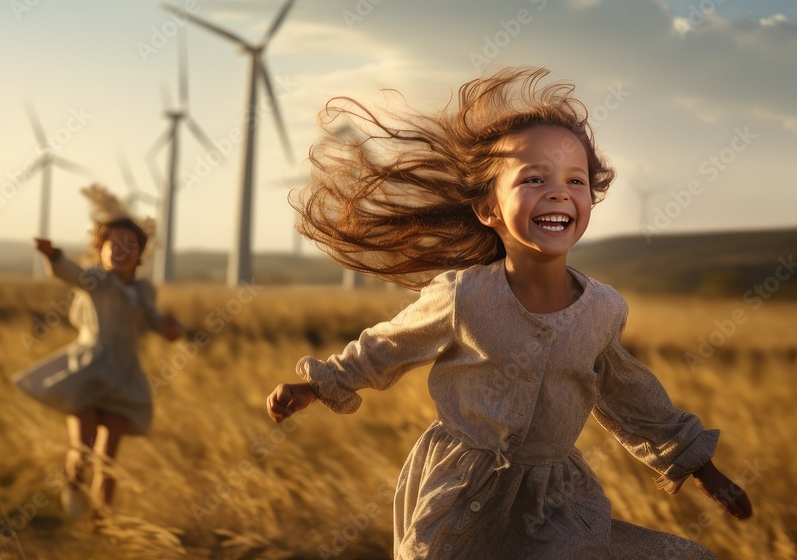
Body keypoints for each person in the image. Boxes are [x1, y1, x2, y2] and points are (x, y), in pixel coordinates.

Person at [266, 67, 752, 558]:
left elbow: (632, 396)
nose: (559, 191)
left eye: (575, 180)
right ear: (487, 208)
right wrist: (318, 383)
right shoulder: (464, 297)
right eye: (534, 179)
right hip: (459, 497)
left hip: (554, 502)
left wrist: (700, 468)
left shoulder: (603, 309)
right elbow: (388, 345)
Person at [14, 217, 182, 521]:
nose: (122, 249)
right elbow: (72, 274)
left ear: (140, 253)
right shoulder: (95, 280)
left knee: (108, 460)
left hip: (124, 376)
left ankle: (100, 525)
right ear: (100, 251)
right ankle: (73, 480)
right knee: (83, 450)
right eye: (114, 244)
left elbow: (155, 320)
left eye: (130, 244)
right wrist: (54, 256)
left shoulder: (144, 291)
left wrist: (172, 329)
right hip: (88, 370)